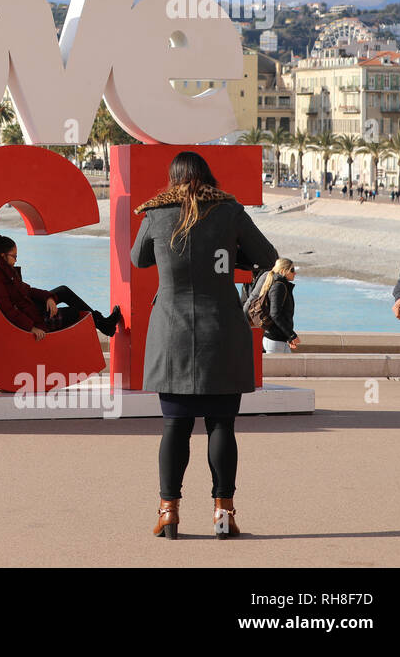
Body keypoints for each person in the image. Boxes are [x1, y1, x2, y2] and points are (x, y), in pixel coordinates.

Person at [132, 151, 278, 540]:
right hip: (222, 329)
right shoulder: (229, 210)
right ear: (208, 176)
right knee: (222, 426)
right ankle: (223, 514)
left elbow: (138, 259)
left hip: (171, 332)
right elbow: (268, 257)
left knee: (174, 427)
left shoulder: (155, 214)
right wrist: (233, 253)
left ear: (172, 178)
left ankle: (168, 513)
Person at [0, 233, 121, 339]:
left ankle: (103, 324)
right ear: (2, 255)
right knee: (74, 312)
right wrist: (32, 328)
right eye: (14, 256)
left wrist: (48, 298)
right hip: (34, 319)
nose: (16, 260)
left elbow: (27, 290)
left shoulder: (6, 271)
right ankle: (104, 325)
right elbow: (8, 310)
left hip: (31, 308)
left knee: (63, 291)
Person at [251, 258, 300, 354]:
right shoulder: (279, 286)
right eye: (292, 270)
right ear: (283, 271)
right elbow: (275, 314)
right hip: (275, 341)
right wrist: (291, 335)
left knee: (289, 368)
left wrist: (288, 336)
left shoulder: (282, 285)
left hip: (279, 339)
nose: (295, 273)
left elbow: (282, 314)